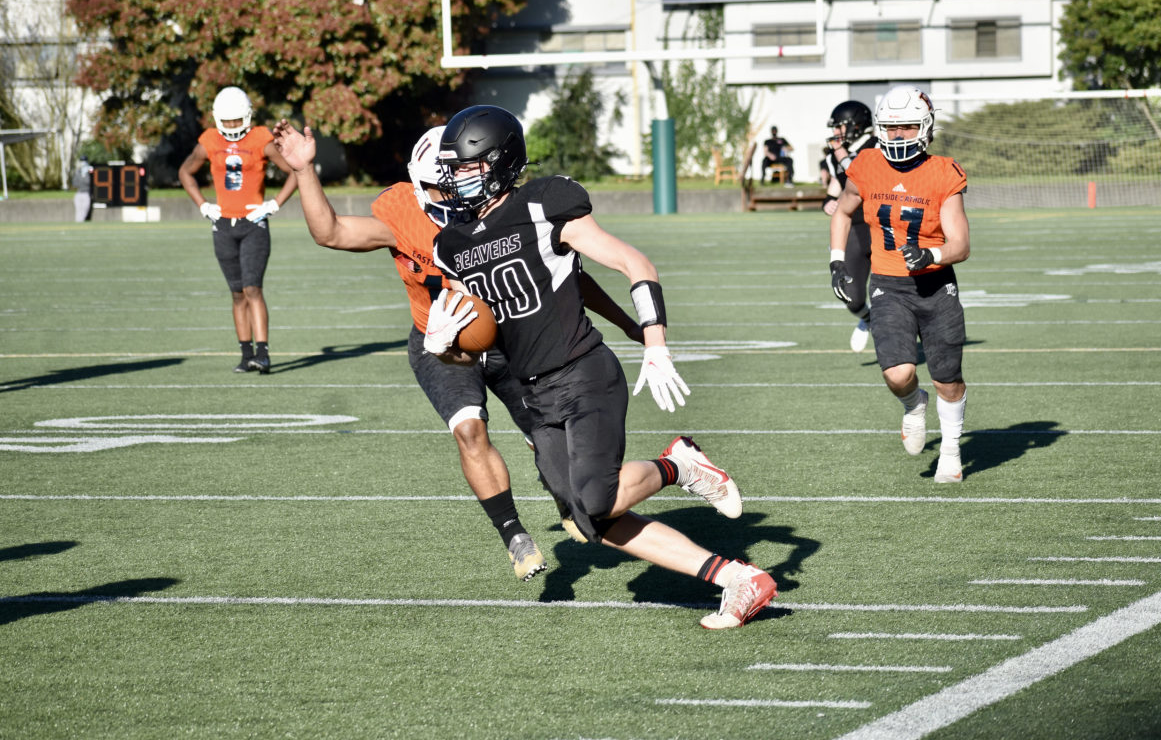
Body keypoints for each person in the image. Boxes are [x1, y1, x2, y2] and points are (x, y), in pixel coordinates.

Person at [430, 105, 778, 629]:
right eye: (452, 168)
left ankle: (678, 466)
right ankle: (739, 580)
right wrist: (443, 347)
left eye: (466, 166)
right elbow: (475, 345)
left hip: (583, 371)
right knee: (592, 522)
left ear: (499, 162)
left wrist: (653, 342)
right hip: (534, 394)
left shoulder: (545, 204)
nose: (455, 179)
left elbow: (634, 264)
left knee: (598, 495)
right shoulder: (451, 245)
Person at [271, 119, 643, 582]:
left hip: (513, 334)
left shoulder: (501, 207)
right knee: (470, 430)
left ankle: (568, 500)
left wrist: (627, 322)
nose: (451, 193)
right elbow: (331, 232)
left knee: (546, 432)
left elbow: (567, 278)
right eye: (440, 185)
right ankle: (514, 534)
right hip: (440, 340)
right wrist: (306, 171)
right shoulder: (402, 211)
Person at [829, 86, 970, 484]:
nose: (898, 135)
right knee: (897, 373)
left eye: (907, 127)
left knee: (947, 378)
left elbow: (961, 244)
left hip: (936, 285)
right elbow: (842, 212)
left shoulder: (944, 171)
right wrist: (837, 262)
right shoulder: (867, 164)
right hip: (889, 284)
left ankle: (950, 451)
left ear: (925, 128)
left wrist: (933, 255)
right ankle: (913, 404)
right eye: (890, 128)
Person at [179, 86, 297, 374]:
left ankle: (263, 353)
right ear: (218, 118)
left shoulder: (261, 138)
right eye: (227, 120)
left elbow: (295, 171)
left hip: (253, 223)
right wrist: (203, 205)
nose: (231, 126)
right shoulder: (209, 139)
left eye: (236, 120)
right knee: (236, 293)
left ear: (247, 116)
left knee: (252, 288)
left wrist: (273, 205)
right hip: (222, 225)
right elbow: (185, 171)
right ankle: (246, 355)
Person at [821, 100, 878, 352]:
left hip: (881, 227)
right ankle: (867, 318)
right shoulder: (837, 153)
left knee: (892, 292)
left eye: (840, 127)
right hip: (854, 228)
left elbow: (860, 175)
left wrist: (842, 155)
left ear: (856, 125)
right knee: (852, 297)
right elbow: (838, 181)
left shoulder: (876, 146)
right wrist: (828, 200)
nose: (836, 133)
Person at [72, 157, 92, 222]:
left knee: (84, 209)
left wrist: (86, 174)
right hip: (78, 193)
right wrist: (81, 175)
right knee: (78, 209)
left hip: (86, 193)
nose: (83, 162)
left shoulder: (89, 170)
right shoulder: (78, 172)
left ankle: (81, 222)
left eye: (84, 160)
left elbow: (88, 182)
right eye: (82, 160)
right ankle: (78, 223)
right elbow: (75, 183)